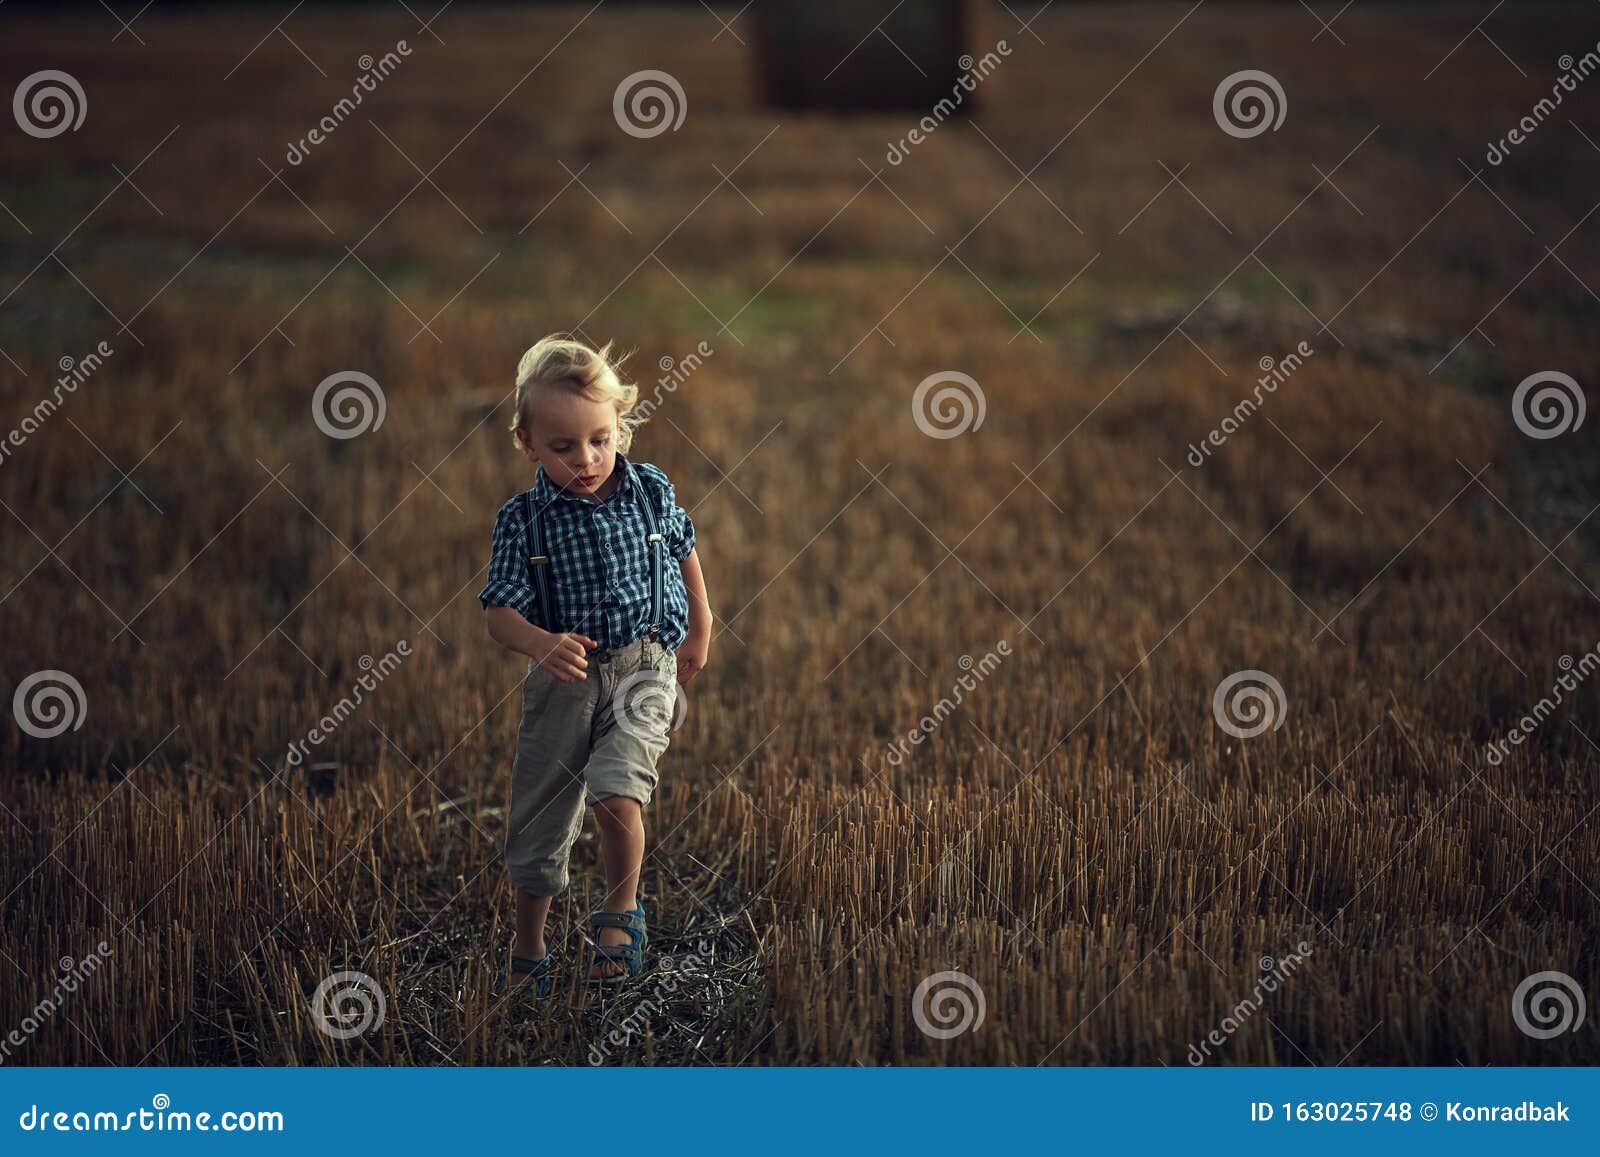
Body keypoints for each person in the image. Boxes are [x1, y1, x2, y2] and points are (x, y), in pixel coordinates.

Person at [478, 334, 712, 993]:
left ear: (620, 427)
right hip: (566, 679)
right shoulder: (524, 520)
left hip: (644, 665)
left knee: (618, 789)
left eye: (601, 439)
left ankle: (619, 912)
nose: (586, 459)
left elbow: (684, 549)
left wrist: (703, 621)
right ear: (526, 442)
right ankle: (529, 949)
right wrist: (538, 642)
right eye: (563, 446)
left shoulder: (649, 489)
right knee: (541, 818)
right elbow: (498, 611)